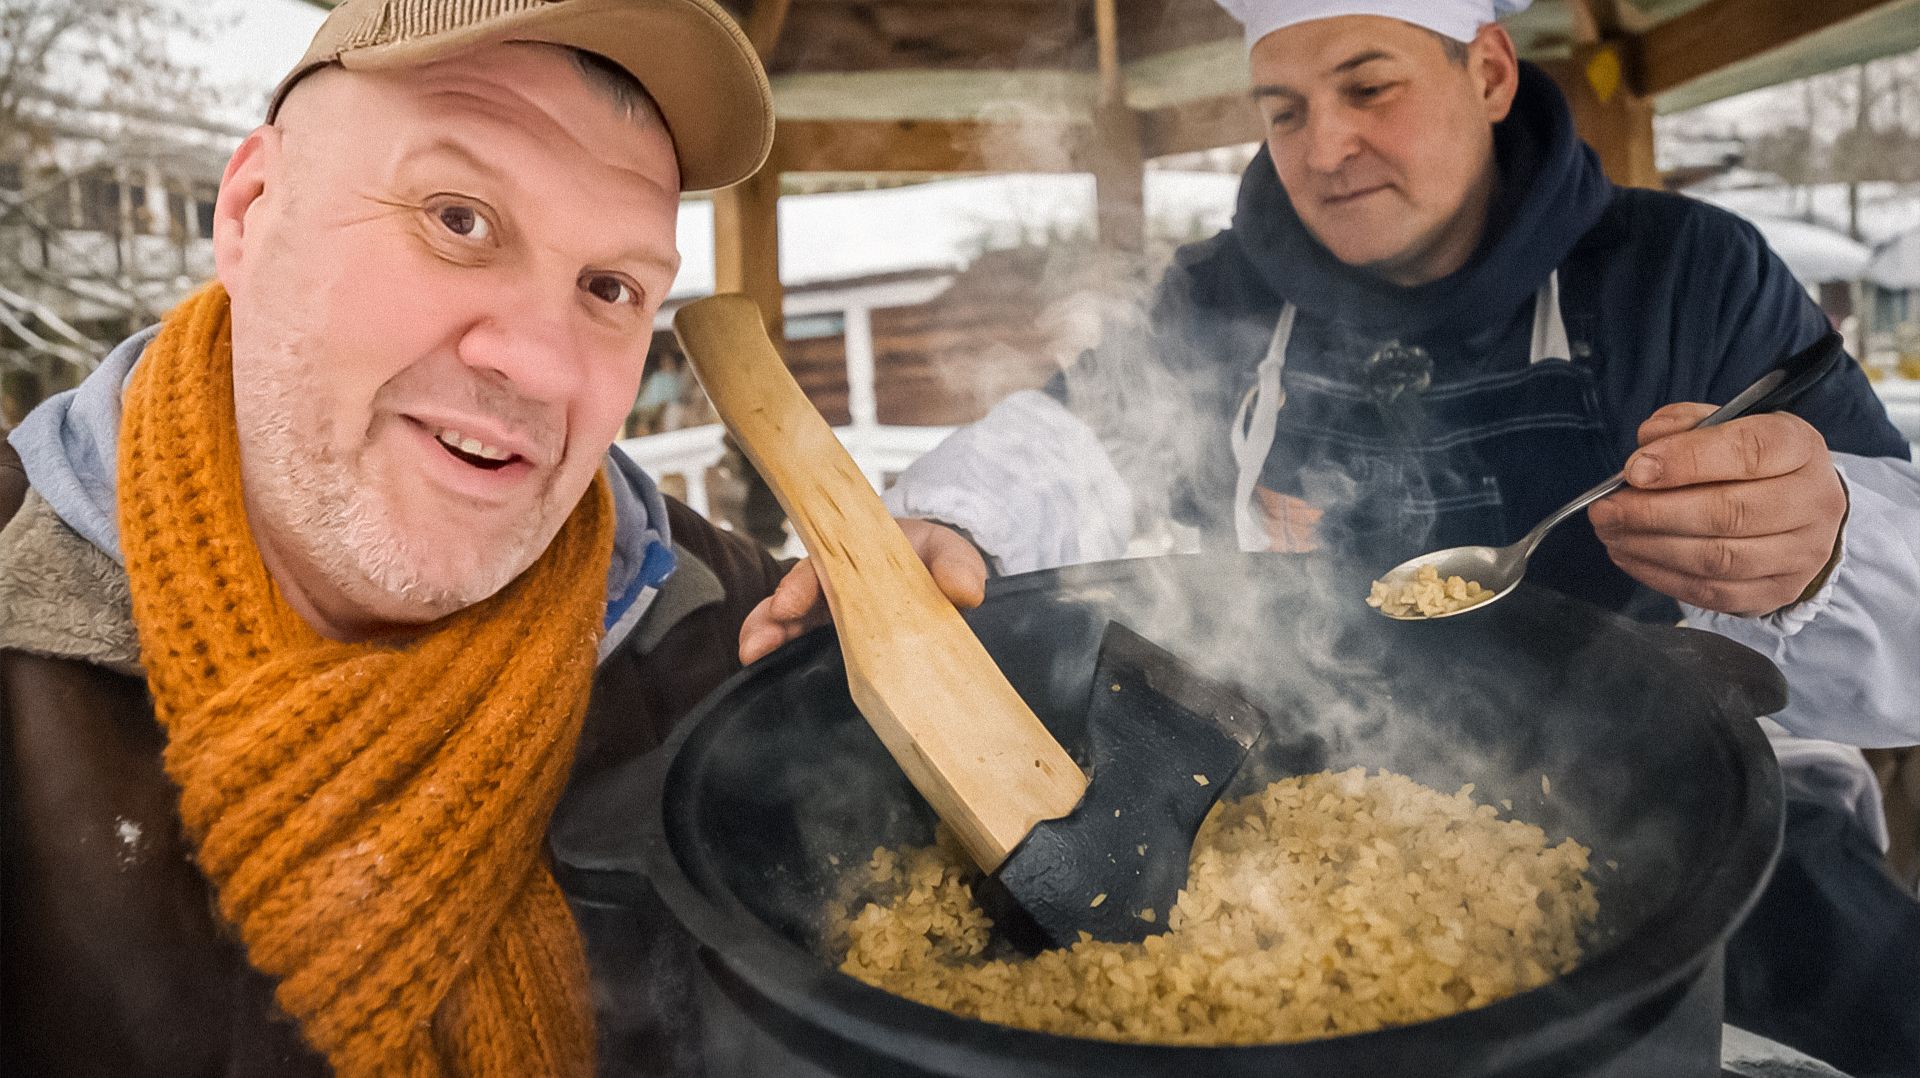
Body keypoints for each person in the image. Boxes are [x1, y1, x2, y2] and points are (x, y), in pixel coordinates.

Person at [742, 2, 1920, 1073]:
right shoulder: (1218, 298)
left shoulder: (1686, 275)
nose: (1324, 148)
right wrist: (948, 527)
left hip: (1697, 814)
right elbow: (1070, 440)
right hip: (1268, 771)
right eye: (1285, 109)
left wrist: (1820, 544)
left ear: (1490, 72)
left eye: (1369, 87)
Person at [0, 2, 987, 1074]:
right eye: (459, 219)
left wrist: (929, 630)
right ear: (249, 211)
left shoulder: (733, 633)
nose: (543, 364)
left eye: (610, 288)